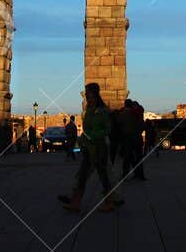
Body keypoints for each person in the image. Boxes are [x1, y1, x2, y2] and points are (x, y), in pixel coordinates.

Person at [59, 84, 121, 213]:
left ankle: (108, 201)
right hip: (89, 149)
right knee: (85, 174)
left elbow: (107, 129)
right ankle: (76, 201)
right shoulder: (88, 110)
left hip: (99, 148)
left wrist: (93, 136)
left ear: (94, 93)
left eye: (88, 93)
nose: (86, 95)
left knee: (101, 175)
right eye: (86, 93)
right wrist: (82, 140)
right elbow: (86, 130)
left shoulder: (102, 110)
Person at [121, 97, 147, 181]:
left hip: (128, 138)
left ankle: (125, 176)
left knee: (127, 158)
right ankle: (140, 175)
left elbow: (120, 125)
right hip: (138, 137)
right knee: (139, 157)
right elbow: (143, 125)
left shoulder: (124, 114)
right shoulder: (138, 113)